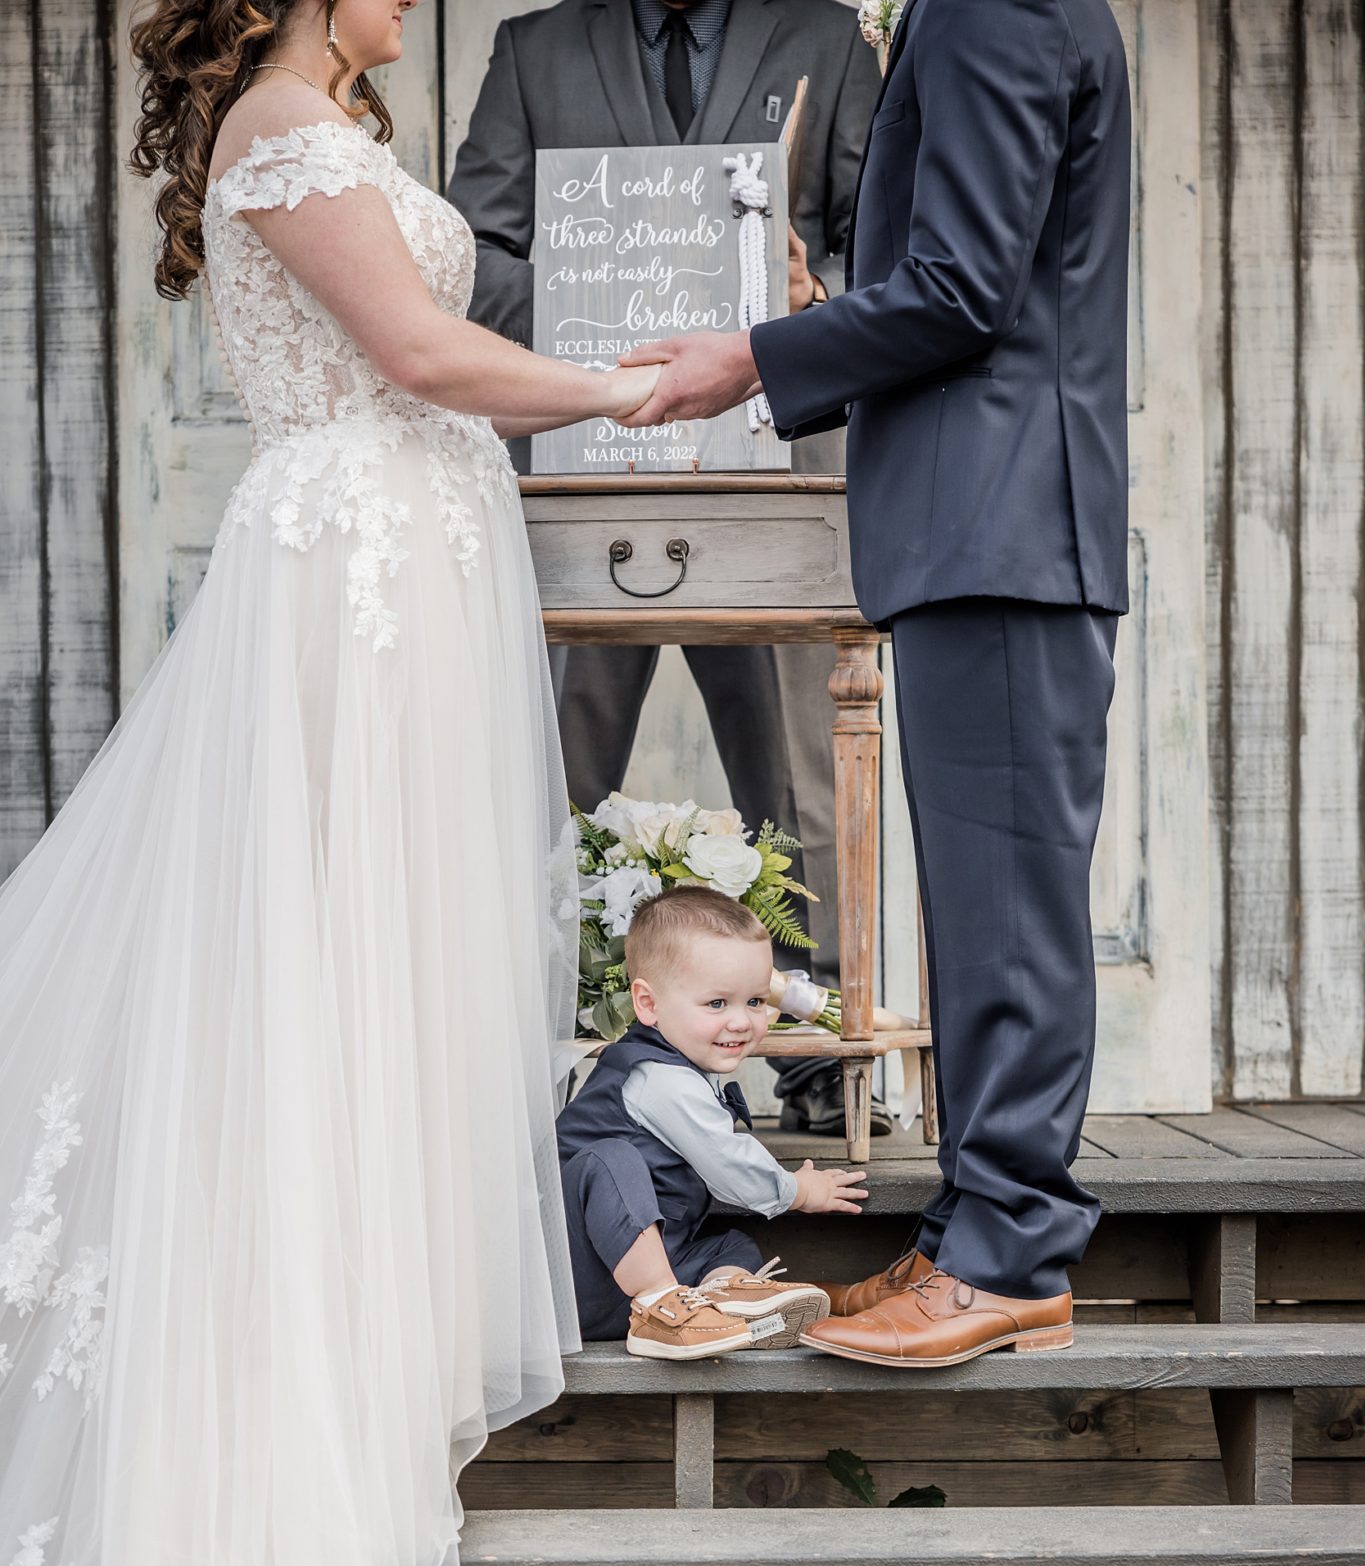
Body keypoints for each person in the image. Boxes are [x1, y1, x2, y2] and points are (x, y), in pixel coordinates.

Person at [0, 0, 664, 1566]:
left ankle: (338, 1499)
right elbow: (425, 356)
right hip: (351, 583)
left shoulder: (334, 115)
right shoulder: (288, 129)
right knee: (307, 1014)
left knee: (371, 1011)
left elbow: (469, 309)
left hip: (406, 566)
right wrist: (635, 390)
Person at [619, 0, 1132, 1367]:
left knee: (1007, 917)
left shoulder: (993, 10)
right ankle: (973, 1227)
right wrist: (821, 313)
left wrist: (753, 357)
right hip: (986, 529)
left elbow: (968, 290)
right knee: (983, 914)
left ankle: (1011, 1254)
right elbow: (970, 274)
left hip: (1007, 529)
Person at [449, 0, 890, 1138]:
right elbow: (474, 251)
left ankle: (816, 1062)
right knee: (543, 768)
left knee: (797, 772)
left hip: (771, 469)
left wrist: (808, 304)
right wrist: (610, 315)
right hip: (580, 471)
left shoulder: (830, 41)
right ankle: (519, 1054)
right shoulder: (533, 50)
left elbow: (882, 247)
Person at [557, 888, 867, 1357]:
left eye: (756, 1002)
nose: (742, 1022)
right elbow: (726, 1161)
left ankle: (729, 1301)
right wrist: (800, 1191)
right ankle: (665, 1311)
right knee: (609, 1157)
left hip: (643, 1273)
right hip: (580, 1273)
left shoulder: (684, 1070)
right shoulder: (656, 1076)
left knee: (731, 1247)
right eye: (717, 1004)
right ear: (648, 1004)